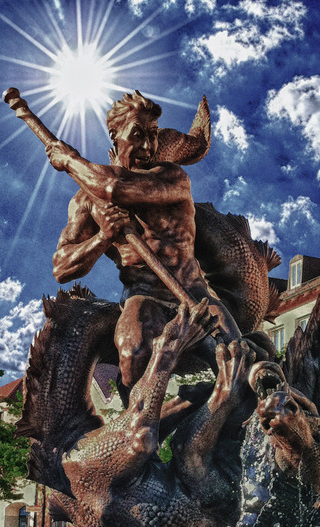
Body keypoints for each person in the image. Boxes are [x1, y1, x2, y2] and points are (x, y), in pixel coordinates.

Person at [46, 90, 241, 391]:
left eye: (153, 135)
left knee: (238, 365)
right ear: (116, 137)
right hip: (143, 297)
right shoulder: (86, 200)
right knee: (133, 352)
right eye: (138, 135)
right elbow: (62, 267)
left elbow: (115, 187)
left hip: (195, 296)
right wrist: (103, 237)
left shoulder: (171, 177)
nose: (148, 146)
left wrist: (70, 159)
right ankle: (138, 425)